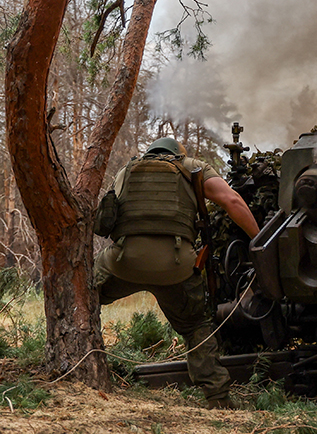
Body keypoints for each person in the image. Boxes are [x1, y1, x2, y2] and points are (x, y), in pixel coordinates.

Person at [94, 137, 260, 409]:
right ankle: (217, 398)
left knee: (85, 292)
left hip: (123, 262)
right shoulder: (193, 167)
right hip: (175, 266)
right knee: (196, 326)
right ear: (178, 154)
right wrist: (259, 239)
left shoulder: (126, 170)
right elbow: (232, 200)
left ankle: (86, 365)